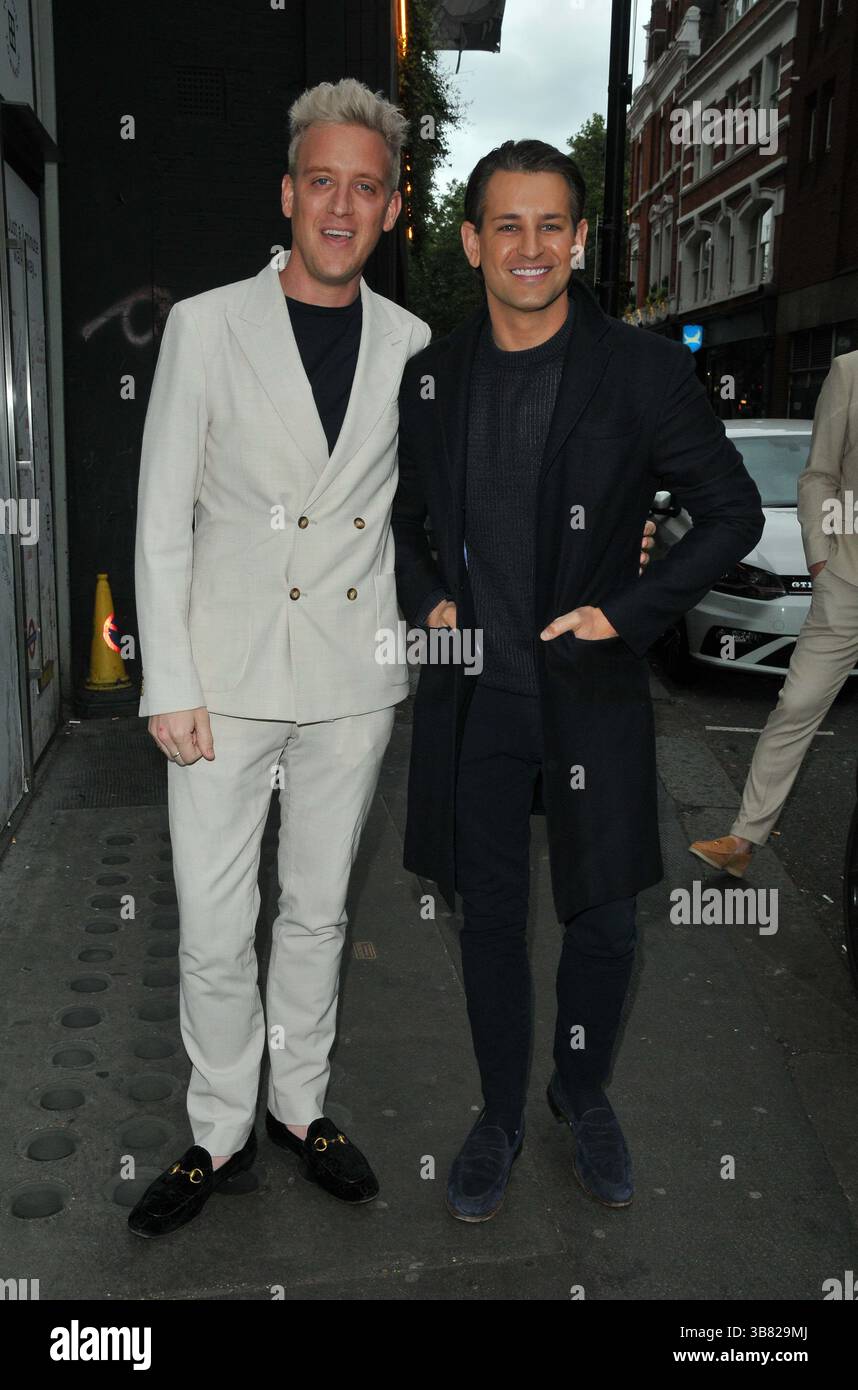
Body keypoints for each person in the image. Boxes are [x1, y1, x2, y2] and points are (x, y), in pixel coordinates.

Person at [392, 139, 765, 1222]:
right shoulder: (433, 379)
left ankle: (581, 1086)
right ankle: (500, 1113)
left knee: (604, 923)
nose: (530, 246)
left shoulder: (641, 371)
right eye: (506, 224)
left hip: (590, 691)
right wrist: (431, 603)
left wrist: (628, 614)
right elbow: (410, 529)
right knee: (491, 920)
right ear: (469, 242)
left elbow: (730, 511)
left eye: (551, 223)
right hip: (479, 698)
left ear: (581, 237)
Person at [129, 78, 431, 1238]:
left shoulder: (413, 345)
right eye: (323, 182)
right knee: (214, 922)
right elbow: (161, 515)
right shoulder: (207, 326)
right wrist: (169, 683)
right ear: (289, 193)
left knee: (312, 911)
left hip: (350, 678)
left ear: (393, 208)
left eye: (366, 187)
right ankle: (217, 1129)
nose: (341, 205)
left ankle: (299, 1106)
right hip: (221, 679)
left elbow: (438, 507)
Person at [690, 350, 858, 877]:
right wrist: (819, 555)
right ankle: (742, 839)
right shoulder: (850, 371)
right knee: (797, 703)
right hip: (847, 578)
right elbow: (820, 474)